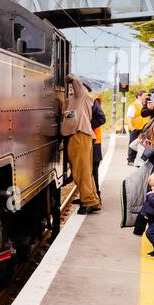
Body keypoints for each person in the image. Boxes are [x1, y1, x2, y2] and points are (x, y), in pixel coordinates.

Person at [62, 75, 101, 213]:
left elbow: (77, 83)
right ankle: (93, 199)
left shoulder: (82, 95)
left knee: (81, 170)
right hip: (77, 134)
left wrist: (70, 77)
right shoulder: (73, 100)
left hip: (80, 134)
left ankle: (88, 202)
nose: (71, 88)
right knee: (85, 169)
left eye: (74, 86)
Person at [126, 90, 150, 164]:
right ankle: (130, 160)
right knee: (133, 143)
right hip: (135, 128)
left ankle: (138, 159)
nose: (145, 97)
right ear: (139, 96)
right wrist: (132, 127)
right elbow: (129, 117)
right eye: (144, 96)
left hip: (142, 128)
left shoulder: (143, 105)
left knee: (141, 143)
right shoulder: (133, 105)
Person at [91, 94, 106, 186]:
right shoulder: (92, 98)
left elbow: (102, 119)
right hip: (93, 140)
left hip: (94, 141)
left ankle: (96, 194)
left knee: (93, 169)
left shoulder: (93, 99)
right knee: (91, 170)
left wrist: (86, 125)